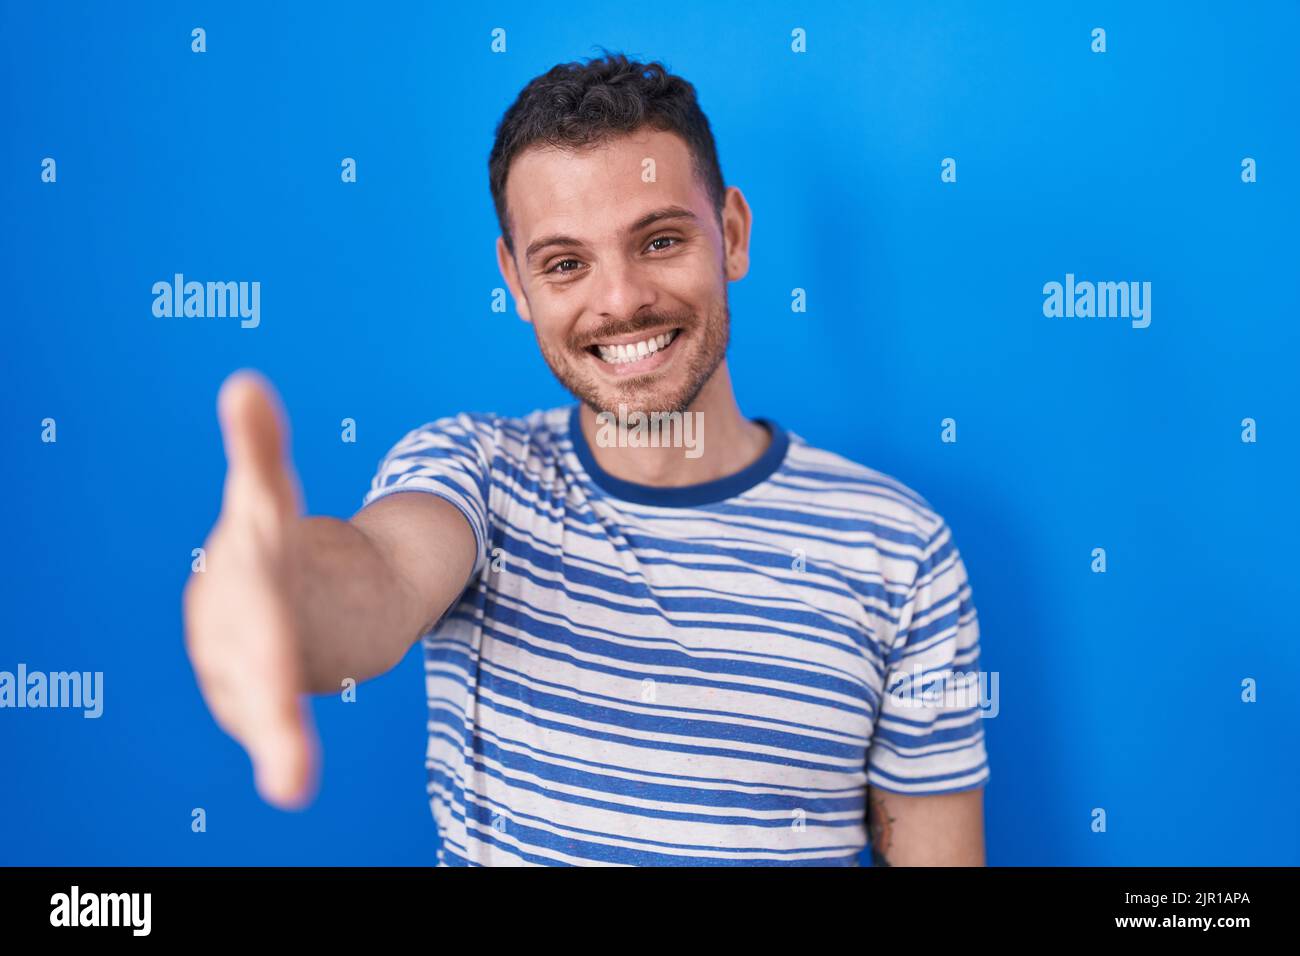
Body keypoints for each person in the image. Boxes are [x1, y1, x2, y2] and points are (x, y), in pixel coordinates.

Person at [183, 51, 990, 866]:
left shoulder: (900, 548)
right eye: (566, 264)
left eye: (661, 239)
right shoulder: (478, 474)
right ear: (517, 281)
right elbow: (384, 574)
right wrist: (281, 598)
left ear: (733, 235)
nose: (620, 300)